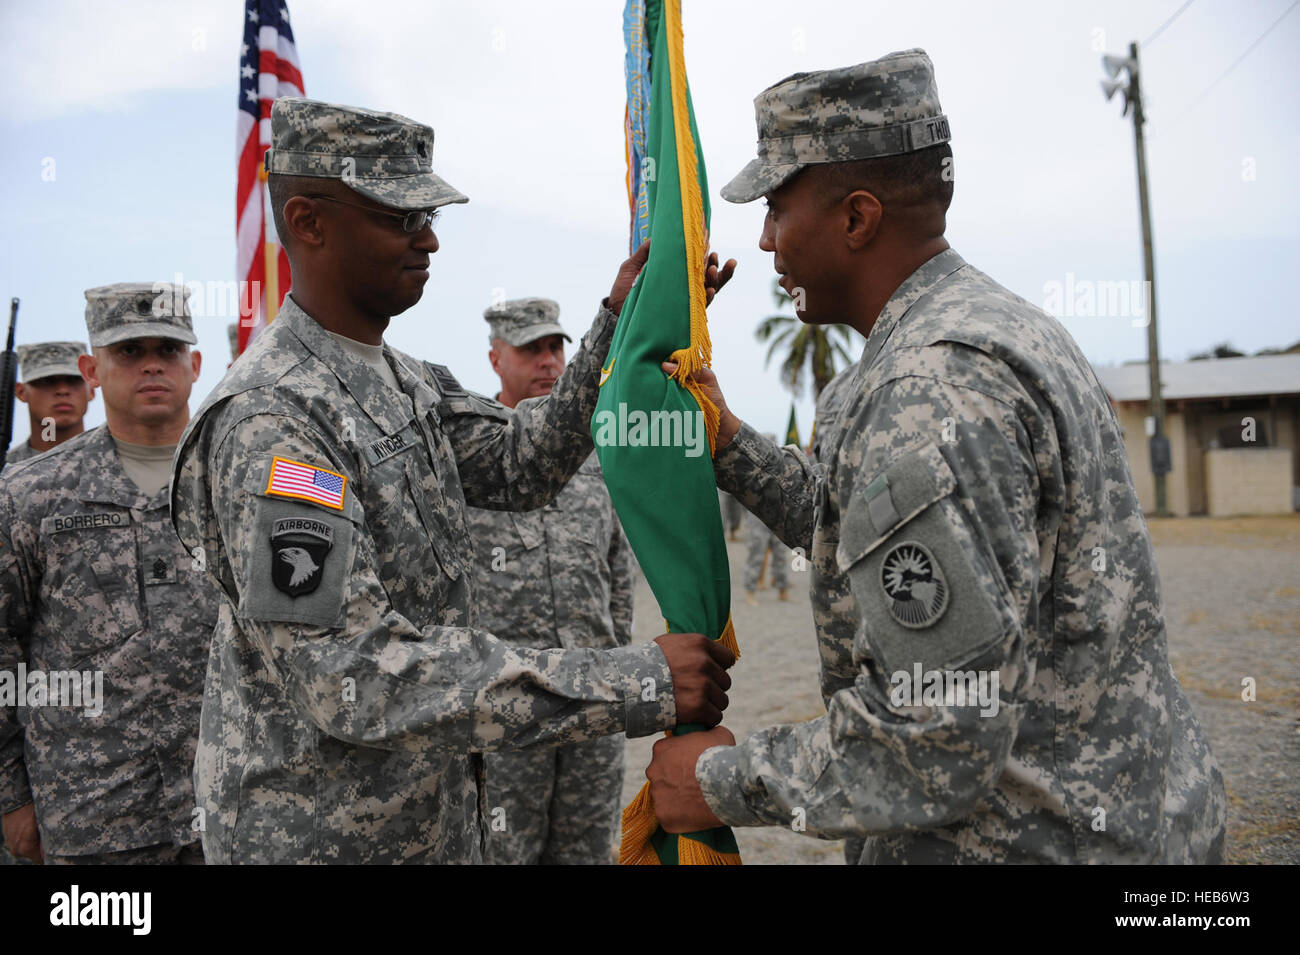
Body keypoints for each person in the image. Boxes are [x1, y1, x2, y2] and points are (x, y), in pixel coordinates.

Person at [646, 49, 1227, 864]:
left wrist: (717, 780)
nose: (766, 238)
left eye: (776, 207)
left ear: (857, 218)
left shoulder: (927, 385)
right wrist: (731, 441)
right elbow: (855, 520)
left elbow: (937, 730)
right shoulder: (993, 329)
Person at [169, 98, 734, 864]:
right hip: (322, 842)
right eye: (401, 217)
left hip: (433, 828)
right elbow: (355, 673)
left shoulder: (406, 381)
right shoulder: (274, 418)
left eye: (428, 216)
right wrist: (635, 678)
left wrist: (621, 322)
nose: (429, 238)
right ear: (309, 221)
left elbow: (524, 463)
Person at [0, 283, 216, 865]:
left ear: (195, 365)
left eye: (168, 350)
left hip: (236, 808)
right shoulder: (29, 494)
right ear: (92, 370)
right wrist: (12, 797)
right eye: (128, 351)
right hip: (95, 815)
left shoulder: (240, 477)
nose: (151, 364)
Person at [467, 297, 635, 865]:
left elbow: (617, 572)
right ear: (496, 358)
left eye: (555, 347)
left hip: (592, 698)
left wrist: (612, 657)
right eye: (530, 349)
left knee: (588, 849)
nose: (548, 362)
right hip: (506, 707)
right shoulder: (470, 453)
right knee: (505, 851)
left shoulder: (593, 453)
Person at [3, 341, 96, 469]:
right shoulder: (6, 469)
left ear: (91, 391)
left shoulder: (118, 459)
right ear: (21, 392)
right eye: (47, 381)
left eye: (74, 380)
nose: (62, 390)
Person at [741, 435, 792, 604]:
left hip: (778, 514)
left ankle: (783, 590)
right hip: (758, 515)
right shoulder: (750, 465)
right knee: (757, 552)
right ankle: (750, 590)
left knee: (780, 554)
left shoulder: (782, 463)